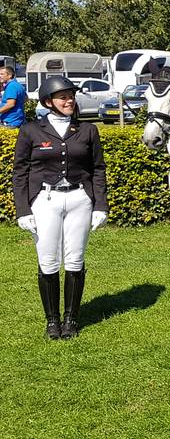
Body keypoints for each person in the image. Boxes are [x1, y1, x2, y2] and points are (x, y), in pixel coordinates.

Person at [13, 76, 107, 340]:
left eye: (71, 96)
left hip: (79, 199)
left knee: (75, 259)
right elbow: (19, 173)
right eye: (63, 97)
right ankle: (52, 320)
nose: (69, 101)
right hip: (45, 200)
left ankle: (71, 319)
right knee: (48, 260)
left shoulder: (87, 130)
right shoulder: (31, 130)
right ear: (48, 102)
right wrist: (23, 209)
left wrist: (100, 205)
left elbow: (98, 169)